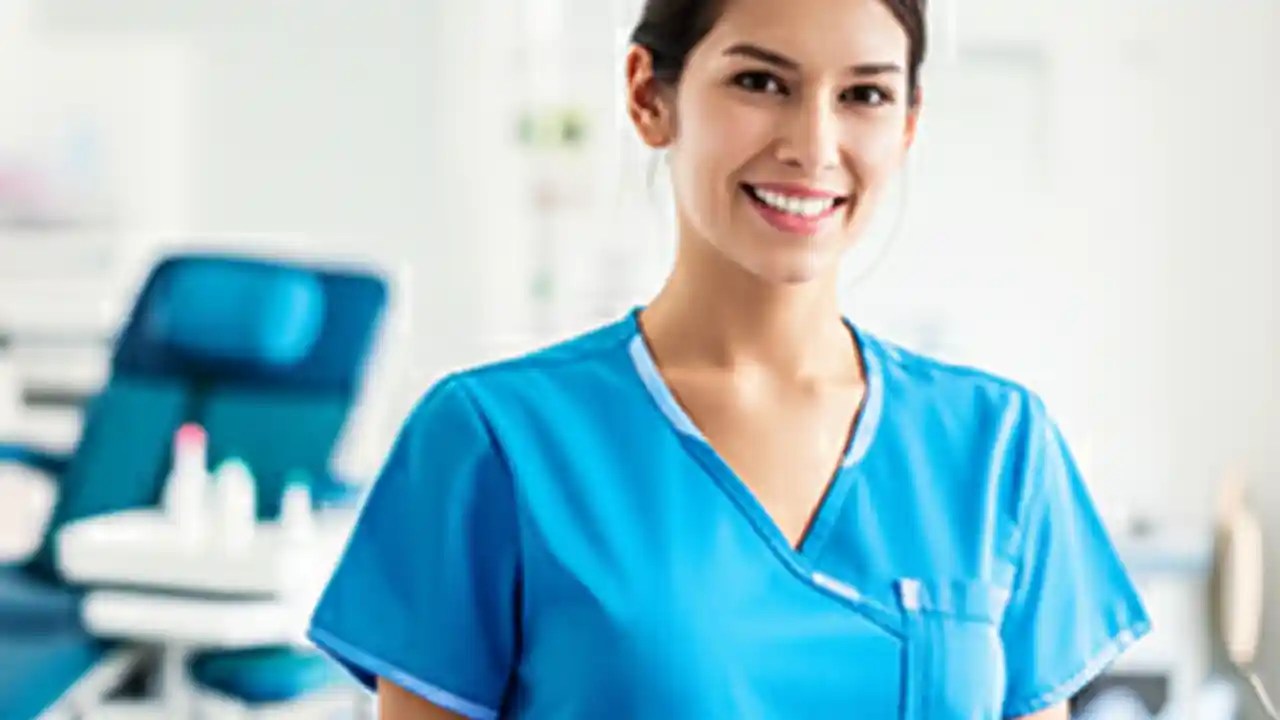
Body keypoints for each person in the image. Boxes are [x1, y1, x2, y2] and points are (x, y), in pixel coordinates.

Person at [308, 0, 1151, 717]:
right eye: (760, 82)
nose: (814, 145)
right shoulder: (495, 442)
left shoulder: (997, 448)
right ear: (649, 95)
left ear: (907, 126)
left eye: (864, 95)